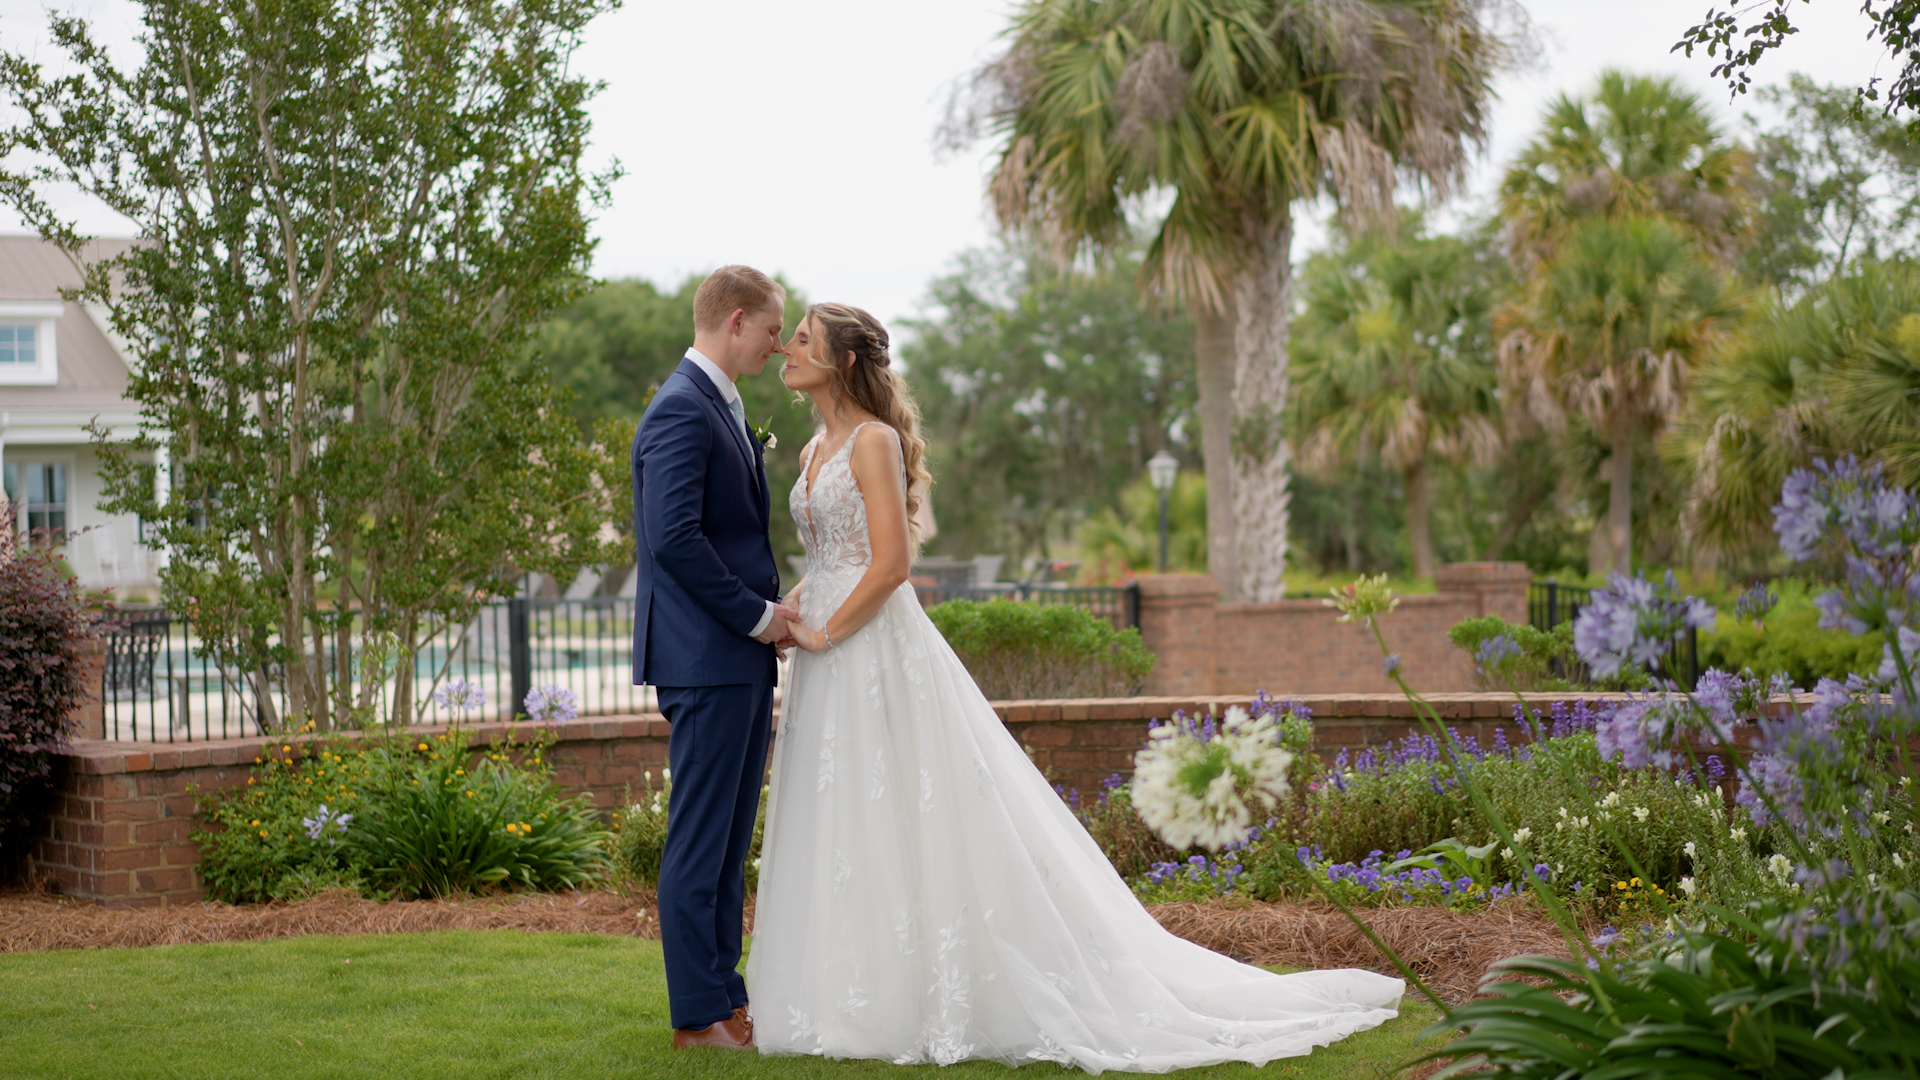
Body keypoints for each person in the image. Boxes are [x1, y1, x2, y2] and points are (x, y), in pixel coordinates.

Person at [746, 302, 1405, 1071]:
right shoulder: (809, 446)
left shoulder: (872, 440)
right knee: (845, 810)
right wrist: (799, 610)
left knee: (907, 806)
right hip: (823, 649)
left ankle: (935, 992)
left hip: (869, 644)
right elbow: (832, 553)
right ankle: (842, 993)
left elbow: (890, 564)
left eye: (801, 340)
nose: (787, 348)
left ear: (844, 359)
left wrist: (826, 630)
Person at [631, 264, 795, 1051]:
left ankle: (727, 999)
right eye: (770, 330)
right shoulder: (680, 410)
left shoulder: (719, 406)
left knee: (729, 843)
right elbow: (674, 541)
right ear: (736, 321)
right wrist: (761, 617)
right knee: (701, 840)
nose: (775, 344)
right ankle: (697, 1016)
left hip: (735, 661)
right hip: (707, 658)